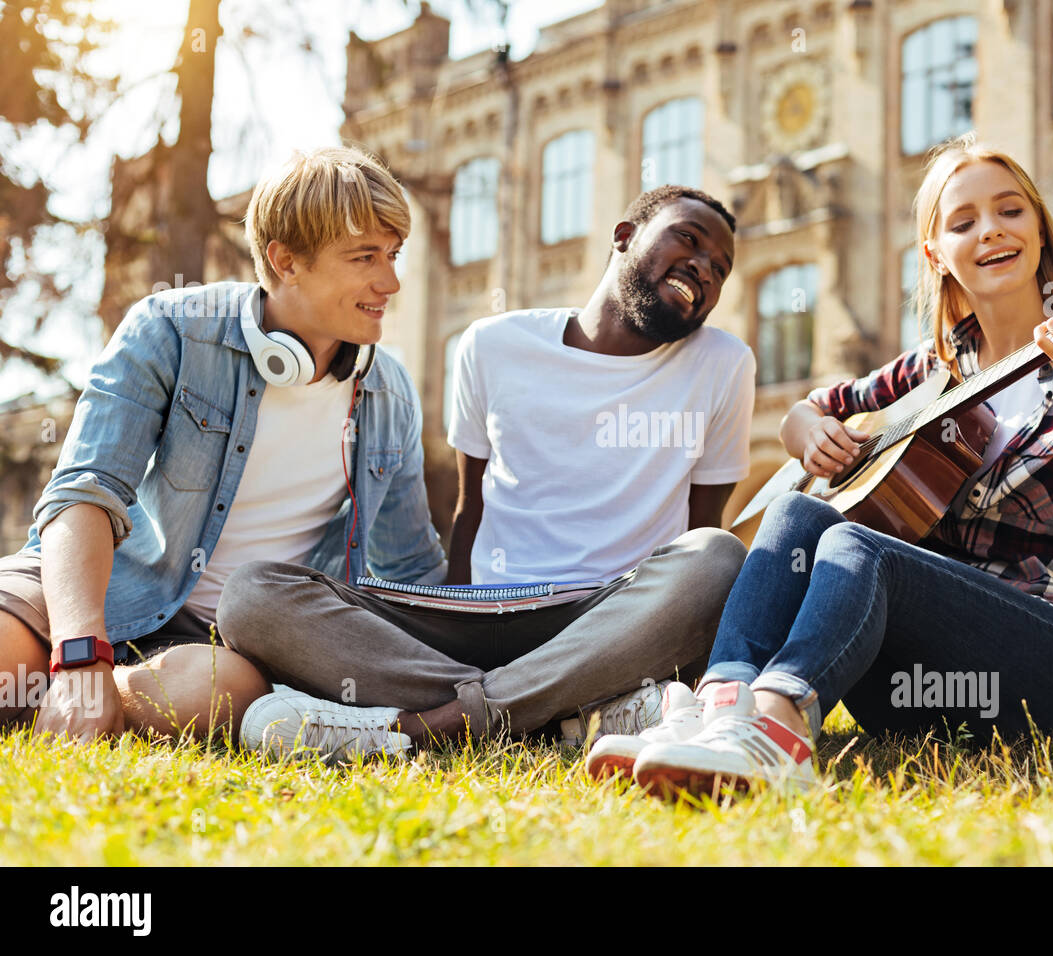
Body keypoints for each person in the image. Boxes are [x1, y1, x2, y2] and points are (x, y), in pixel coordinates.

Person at [596, 135, 1053, 794]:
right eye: (963, 222)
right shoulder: (935, 371)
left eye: (1010, 211)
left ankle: (778, 730)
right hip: (912, 686)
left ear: (1039, 228)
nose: (990, 231)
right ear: (936, 254)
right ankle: (720, 709)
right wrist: (810, 432)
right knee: (795, 510)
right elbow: (809, 408)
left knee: (857, 545)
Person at [218, 185, 754, 757]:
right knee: (250, 595)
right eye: (689, 240)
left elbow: (701, 532)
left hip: (607, 622)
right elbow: (467, 510)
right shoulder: (492, 345)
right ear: (623, 237)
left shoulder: (723, 364)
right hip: (478, 618)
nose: (703, 268)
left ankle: (423, 728)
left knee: (719, 556)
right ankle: (570, 714)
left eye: (720, 270)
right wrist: (450, 608)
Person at [0, 146, 445, 750]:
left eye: (392, 255)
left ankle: (77, 699)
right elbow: (84, 492)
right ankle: (73, 687)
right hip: (90, 595)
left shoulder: (389, 394)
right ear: (286, 260)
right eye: (365, 256)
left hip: (220, 649)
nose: (389, 282)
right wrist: (81, 656)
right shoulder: (171, 329)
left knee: (220, 694)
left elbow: (412, 572)